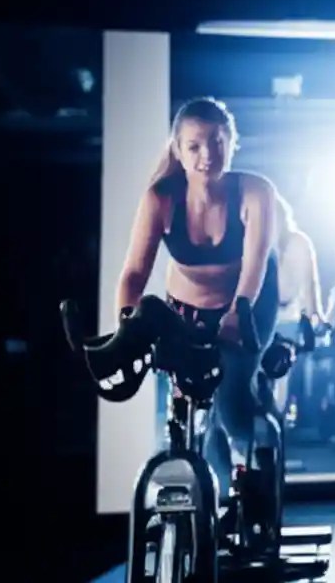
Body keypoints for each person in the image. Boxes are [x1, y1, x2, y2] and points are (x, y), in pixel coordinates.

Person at [115, 97, 280, 502]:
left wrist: (237, 312)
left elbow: (256, 262)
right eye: (195, 146)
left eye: (218, 142)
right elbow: (134, 274)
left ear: (232, 142)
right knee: (184, 407)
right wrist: (126, 329)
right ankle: (211, 497)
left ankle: (254, 470)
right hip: (185, 309)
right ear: (178, 150)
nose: (209, 155)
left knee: (230, 397)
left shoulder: (255, 191)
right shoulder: (161, 199)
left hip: (250, 300)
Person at [272, 193, 325, 424]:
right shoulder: (299, 242)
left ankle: (272, 424)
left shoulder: (265, 240)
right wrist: (315, 314)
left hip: (275, 318)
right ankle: (276, 424)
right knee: (282, 375)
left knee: (271, 375)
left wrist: (313, 313)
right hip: (286, 318)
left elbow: (309, 283)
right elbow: (310, 283)